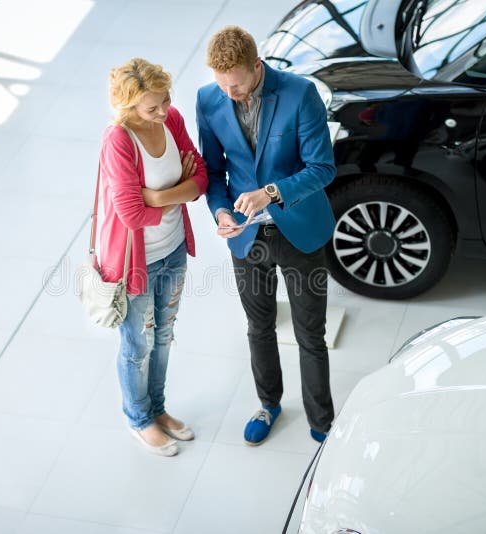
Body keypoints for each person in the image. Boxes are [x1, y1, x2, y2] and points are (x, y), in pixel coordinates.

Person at [196, 26, 336, 445]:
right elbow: (214, 171)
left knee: (310, 333)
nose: (230, 93)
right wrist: (219, 209)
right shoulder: (209, 99)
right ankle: (269, 403)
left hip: (299, 231)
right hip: (244, 237)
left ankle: (322, 422)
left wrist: (271, 193)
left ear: (257, 66)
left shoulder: (300, 94)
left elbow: (322, 168)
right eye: (223, 85)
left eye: (236, 85)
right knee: (258, 327)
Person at [99, 58, 208, 457]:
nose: (163, 112)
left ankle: (158, 410)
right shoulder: (119, 140)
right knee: (136, 345)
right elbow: (130, 213)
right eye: (152, 108)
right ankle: (139, 418)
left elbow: (200, 180)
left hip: (174, 249)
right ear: (128, 106)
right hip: (136, 265)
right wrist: (177, 189)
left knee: (163, 336)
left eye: (165, 101)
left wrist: (159, 196)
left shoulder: (172, 119)